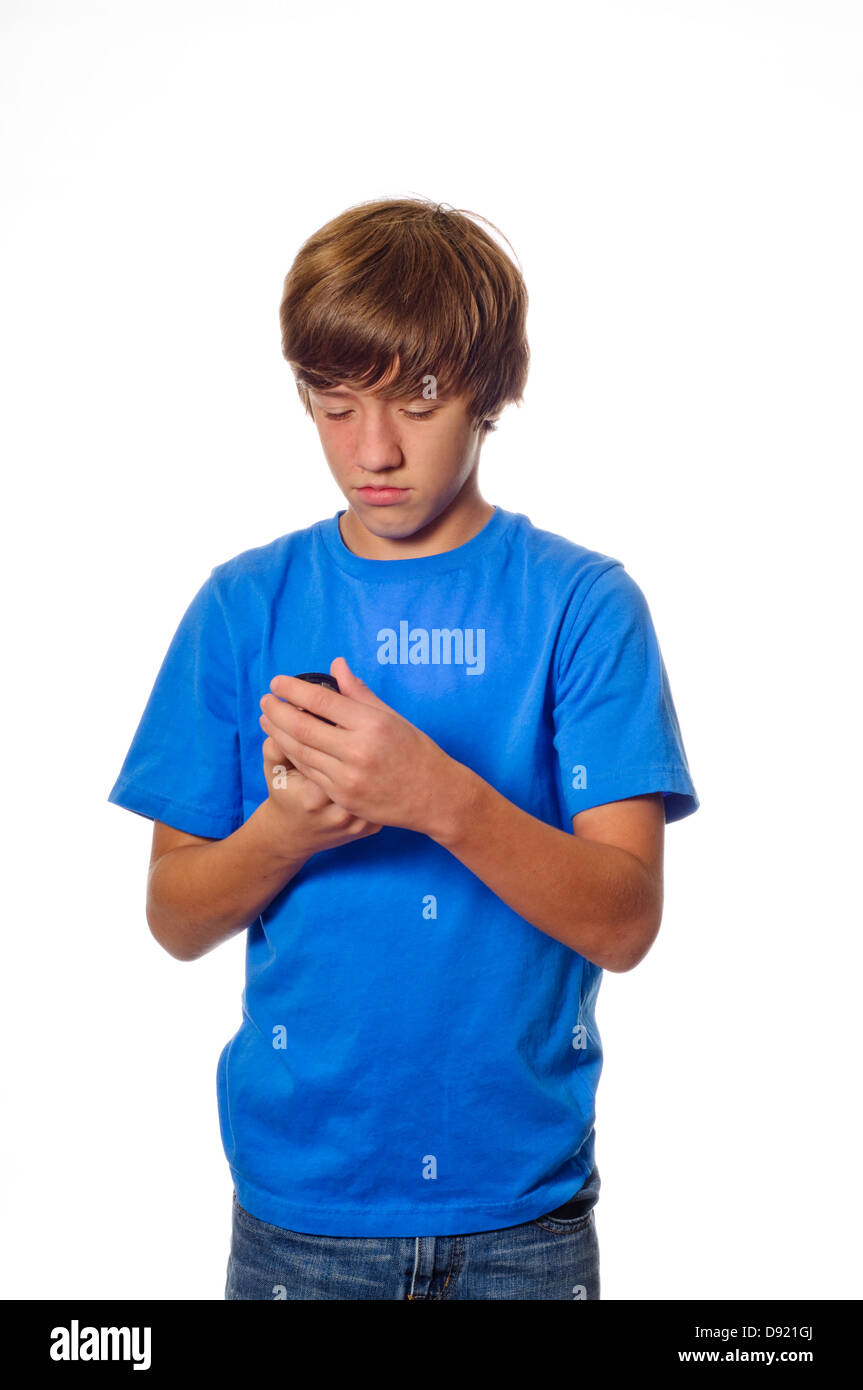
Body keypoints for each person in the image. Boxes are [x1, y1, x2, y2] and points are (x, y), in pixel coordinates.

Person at [107, 196, 699, 1300]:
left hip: (522, 1218)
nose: (371, 450)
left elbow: (623, 921)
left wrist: (437, 796)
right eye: (334, 408)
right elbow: (174, 917)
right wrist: (286, 832)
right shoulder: (244, 605)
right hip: (299, 1217)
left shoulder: (581, 605)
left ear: (493, 391)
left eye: (416, 406)